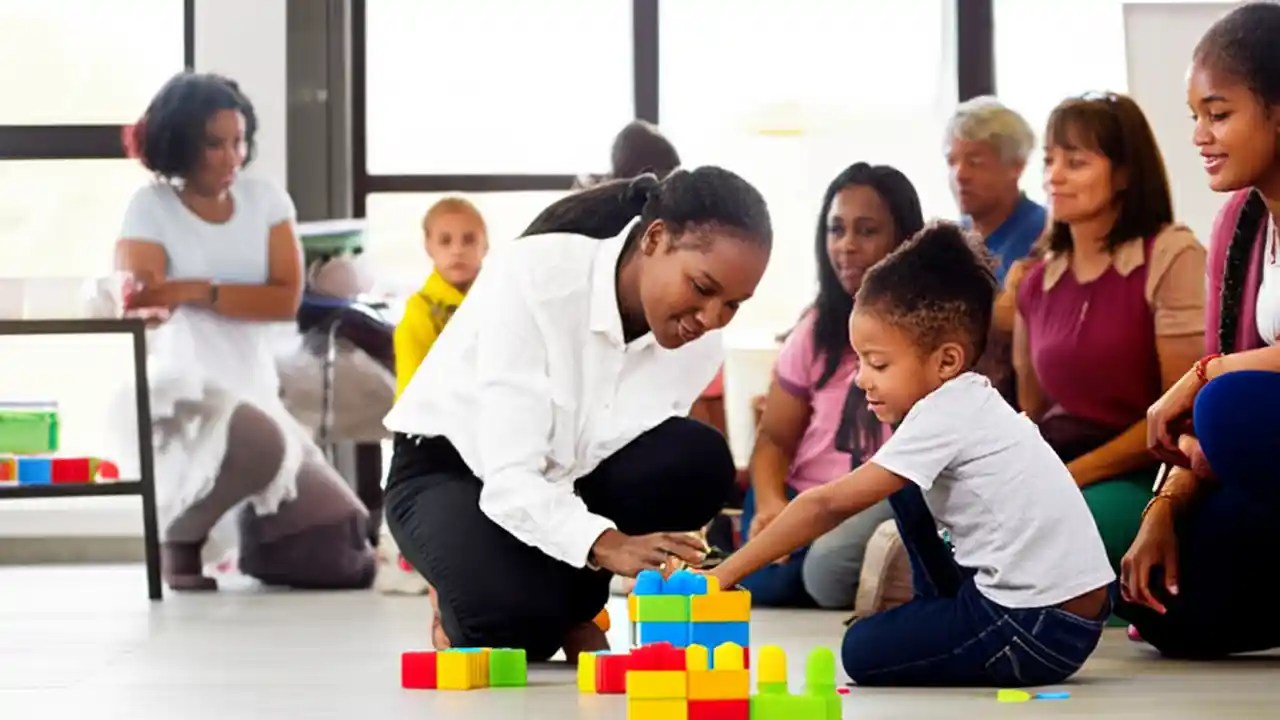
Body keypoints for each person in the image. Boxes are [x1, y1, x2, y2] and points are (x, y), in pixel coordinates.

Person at [382, 167, 772, 660]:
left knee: (698, 460)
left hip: (564, 479)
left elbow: (616, 463)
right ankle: (493, 592)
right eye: (701, 287)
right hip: (449, 469)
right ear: (654, 239)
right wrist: (607, 543)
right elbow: (510, 477)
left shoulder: (700, 340)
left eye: (733, 304)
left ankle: (565, 605)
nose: (712, 318)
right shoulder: (533, 280)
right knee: (503, 628)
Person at [711, 222, 1113, 687]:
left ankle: (932, 615)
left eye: (878, 363)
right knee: (901, 487)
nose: (862, 379)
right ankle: (934, 613)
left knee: (861, 650)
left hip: (1029, 626)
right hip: (1068, 621)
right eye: (860, 360)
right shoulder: (972, 401)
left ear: (946, 361)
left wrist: (722, 575)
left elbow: (826, 504)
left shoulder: (944, 413)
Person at [115, 71, 375, 591]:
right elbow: (143, 297)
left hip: (254, 385)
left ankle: (250, 544)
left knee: (349, 550)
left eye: (239, 141)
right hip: (183, 387)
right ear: (181, 144)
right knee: (263, 443)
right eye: (216, 143)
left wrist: (193, 289)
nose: (233, 157)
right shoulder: (151, 207)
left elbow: (283, 299)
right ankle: (180, 538)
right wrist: (192, 295)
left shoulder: (265, 201)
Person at [1121, 1, 1280, 658]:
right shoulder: (1240, 223)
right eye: (1196, 117)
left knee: (1230, 407)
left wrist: (1205, 374)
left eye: (1218, 114)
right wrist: (1163, 507)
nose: (1199, 136)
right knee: (1159, 603)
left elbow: (1222, 382)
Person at [1013, 93, 1206, 573]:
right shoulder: (1037, 279)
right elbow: (1030, 413)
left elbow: (1179, 415)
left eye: (1075, 162)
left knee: (1056, 538)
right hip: (1064, 460)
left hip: (1149, 470)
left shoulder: (1171, 255)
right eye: (1050, 160)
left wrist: (1069, 477)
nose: (1053, 176)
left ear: (1124, 174)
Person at [739, 162, 922, 608]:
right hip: (802, 497)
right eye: (836, 230)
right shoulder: (816, 327)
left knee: (813, 574)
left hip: (871, 504)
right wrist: (770, 506)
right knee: (770, 578)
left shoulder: (929, 332)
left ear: (904, 239)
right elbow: (774, 439)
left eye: (867, 231)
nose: (846, 246)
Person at [946, 96, 1047, 406]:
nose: (960, 174)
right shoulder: (946, 242)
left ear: (1015, 167)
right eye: (952, 161)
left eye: (975, 162)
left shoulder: (1045, 236)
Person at [394, 196, 489, 398]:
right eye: (445, 241)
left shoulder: (503, 301)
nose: (457, 251)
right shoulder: (420, 312)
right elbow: (410, 397)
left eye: (469, 240)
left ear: (486, 244)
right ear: (428, 246)